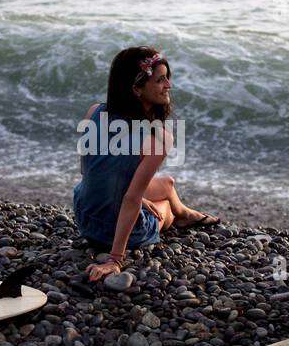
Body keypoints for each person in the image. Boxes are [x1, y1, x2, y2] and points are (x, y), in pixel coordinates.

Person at [74, 46, 218, 283]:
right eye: (161, 80)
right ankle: (177, 214)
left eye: (167, 78)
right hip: (111, 232)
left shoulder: (94, 112)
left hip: (85, 217)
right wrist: (115, 259)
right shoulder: (158, 137)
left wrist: (138, 197)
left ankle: (184, 211)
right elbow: (130, 199)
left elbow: (90, 171)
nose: (168, 86)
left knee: (167, 184)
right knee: (163, 209)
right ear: (136, 88)